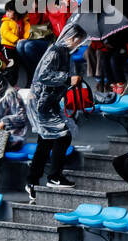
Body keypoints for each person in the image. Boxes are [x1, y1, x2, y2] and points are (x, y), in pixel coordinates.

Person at [24, 23, 86, 198]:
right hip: (42, 102)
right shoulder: (56, 51)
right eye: (78, 41)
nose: (78, 45)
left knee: (45, 142)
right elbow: (44, 75)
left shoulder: (64, 53)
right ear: (72, 38)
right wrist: (68, 78)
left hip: (47, 102)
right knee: (63, 135)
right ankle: (54, 177)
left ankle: (32, 181)